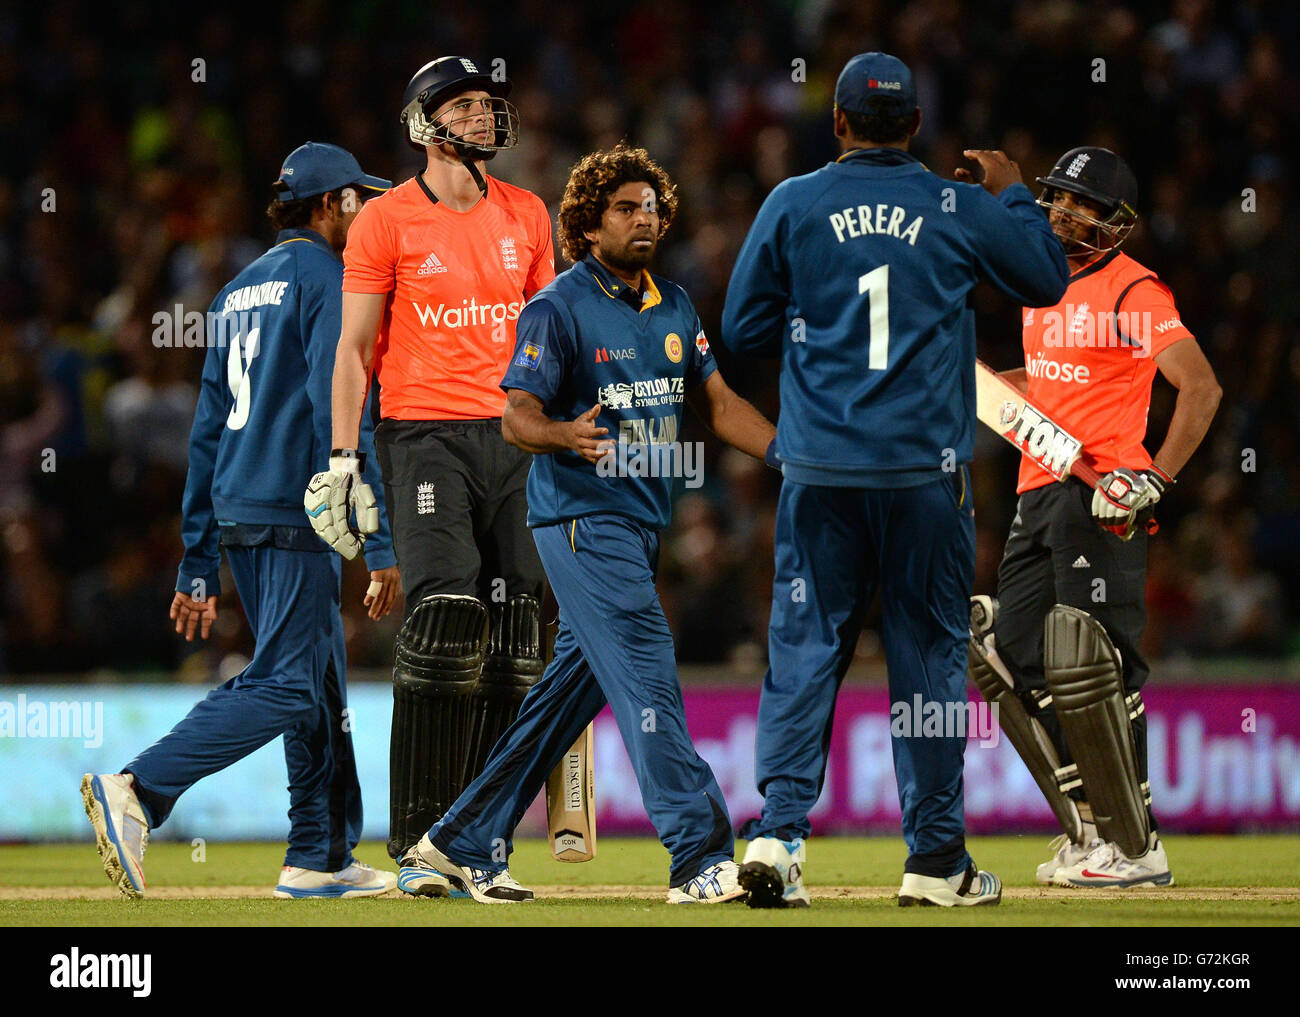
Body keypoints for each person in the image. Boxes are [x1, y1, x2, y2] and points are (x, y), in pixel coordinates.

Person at [721, 52, 1070, 908]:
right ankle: (935, 859)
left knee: (805, 654)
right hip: (925, 477)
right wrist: (1011, 192)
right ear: (916, 126)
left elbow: (741, 328)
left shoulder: (792, 202)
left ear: (836, 123)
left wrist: (816, 328)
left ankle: (778, 836)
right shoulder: (957, 205)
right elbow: (1047, 279)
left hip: (821, 473)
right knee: (928, 663)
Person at [396, 143, 778, 904]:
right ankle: (698, 852)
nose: (644, 219)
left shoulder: (672, 305)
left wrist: (797, 457)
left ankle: (455, 841)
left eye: (652, 207)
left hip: (639, 521)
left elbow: (723, 406)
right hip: (577, 517)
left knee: (568, 691)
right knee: (646, 670)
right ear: (587, 223)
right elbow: (515, 414)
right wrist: (565, 434)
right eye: (624, 208)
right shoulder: (559, 306)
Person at [82, 142, 401, 899]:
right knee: (291, 684)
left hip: (243, 507)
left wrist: (197, 557)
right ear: (329, 205)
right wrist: (378, 535)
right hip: (301, 509)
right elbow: (341, 406)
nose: (368, 211)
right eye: (359, 199)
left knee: (318, 684)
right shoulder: (330, 278)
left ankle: (317, 853)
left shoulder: (234, 292)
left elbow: (207, 430)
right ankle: (138, 787)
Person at [308, 57, 557, 869]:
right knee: (447, 617)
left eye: (489, 103)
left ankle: (479, 841)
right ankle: (418, 837)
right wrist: (345, 456)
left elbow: (550, 343)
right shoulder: (385, 221)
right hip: (424, 436)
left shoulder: (528, 212)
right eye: (464, 104)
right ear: (424, 121)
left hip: (515, 437)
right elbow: (351, 352)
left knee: (516, 638)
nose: (485, 116)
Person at [968, 146, 1221, 888]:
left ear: (1117, 223)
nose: (1062, 213)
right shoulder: (1038, 286)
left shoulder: (1134, 290)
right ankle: (1088, 831)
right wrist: (972, 387)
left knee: (1094, 661)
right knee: (1004, 654)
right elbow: (1045, 383)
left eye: (1083, 205)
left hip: (1102, 494)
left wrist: (1154, 474)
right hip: (1035, 489)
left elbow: (1199, 388)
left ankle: (1138, 847)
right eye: (1056, 198)